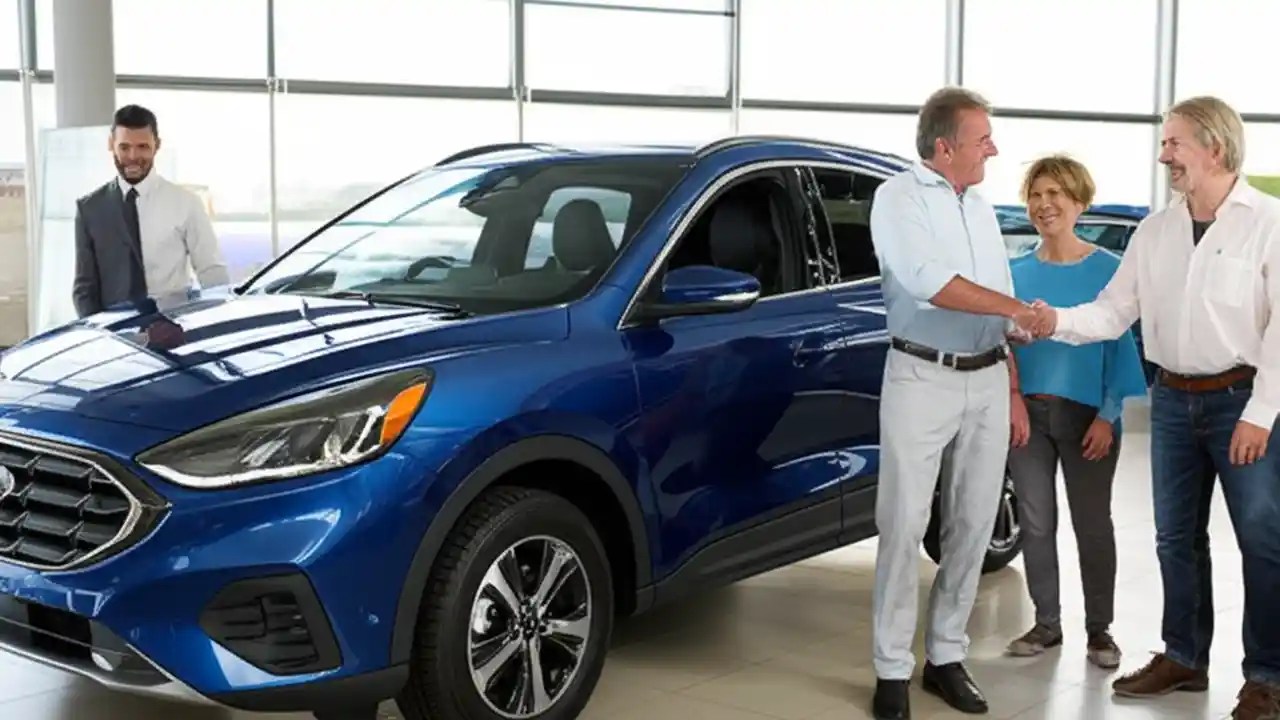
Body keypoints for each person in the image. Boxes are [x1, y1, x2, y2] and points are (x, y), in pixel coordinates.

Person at [1023, 96, 1280, 719]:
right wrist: (1053, 319)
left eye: (1174, 143)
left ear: (1214, 148)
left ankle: (1268, 677)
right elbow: (1113, 312)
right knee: (1175, 540)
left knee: (1263, 540)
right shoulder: (1156, 231)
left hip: (1242, 399)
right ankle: (1184, 658)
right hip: (1172, 402)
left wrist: (1262, 411)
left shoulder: (1267, 222)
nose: (1164, 154)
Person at [867, 86, 1038, 720]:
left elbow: (999, 297)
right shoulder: (898, 198)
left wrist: (1014, 383)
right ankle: (890, 670)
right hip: (922, 376)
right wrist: (1013, 309)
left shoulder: (983, 207)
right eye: (982, 138)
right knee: (905, 524)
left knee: (972, 525)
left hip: (989, 379)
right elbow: (927, 283)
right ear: (945, 147)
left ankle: (945, 656)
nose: (992, 147)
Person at [1001, 155, 1148, 670]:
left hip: (1090, 418)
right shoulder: (1013, 272)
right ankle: (1047, 623)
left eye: (1056, 194)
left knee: (1092, 524)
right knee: (1037, 523)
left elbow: (1120, 348)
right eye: (1036, 195)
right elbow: (1003, 350)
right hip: (1028, 419)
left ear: (1079, 203)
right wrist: (1013, 402)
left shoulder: (1109, 270)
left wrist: (1109, 416)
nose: (1044, 205)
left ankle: (1100, 630)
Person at [72, 104, 228, 318]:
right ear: (111, 145)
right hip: (114, 333)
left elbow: (212, 272)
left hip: (176, 326)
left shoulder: (186, 203)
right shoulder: (90, 208)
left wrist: (214, 323)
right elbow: (84, 288)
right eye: (124, 147)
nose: (133, 156)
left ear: (157, 145)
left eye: (143, 147)